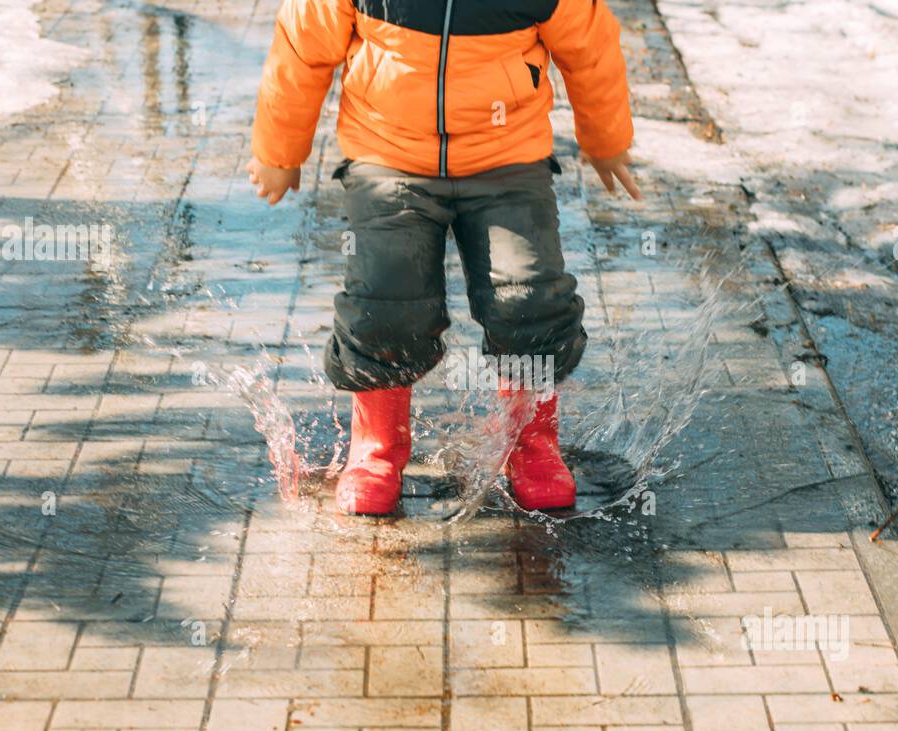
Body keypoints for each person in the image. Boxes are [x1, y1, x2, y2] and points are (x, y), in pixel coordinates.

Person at [247, 0, 639, 514]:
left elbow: (589, 46)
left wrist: (606, 139)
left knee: (529, 297)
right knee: (387, 298)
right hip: (388, 155)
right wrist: (279, 150)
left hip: (507, 157)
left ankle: (531, 443)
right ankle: (377, 450)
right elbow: (303, 46)